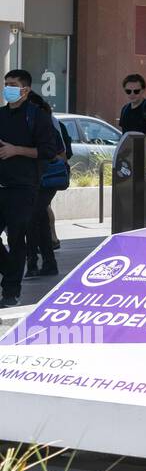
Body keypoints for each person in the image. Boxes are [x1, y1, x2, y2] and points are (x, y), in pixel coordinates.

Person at [0, 70, 62, 306]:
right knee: (12, 247)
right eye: (6, 84)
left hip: (23, 188)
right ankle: (10, 270)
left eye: (13, 85)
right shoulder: (1, 115)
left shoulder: (37, 117)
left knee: (16, 239)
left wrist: (16, 150)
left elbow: (48, 152)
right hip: (1, 185)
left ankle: (10, 291)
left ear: (25, 90)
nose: (8, 88)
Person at [25, 100, 72, 278]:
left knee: (32, 217)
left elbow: (63, 156)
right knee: (40, 219)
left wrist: (32, 152)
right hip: (29, 180)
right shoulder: (23, 127)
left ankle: (32, 263)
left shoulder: (51, 128)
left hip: (46, 181)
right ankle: (48, 262)